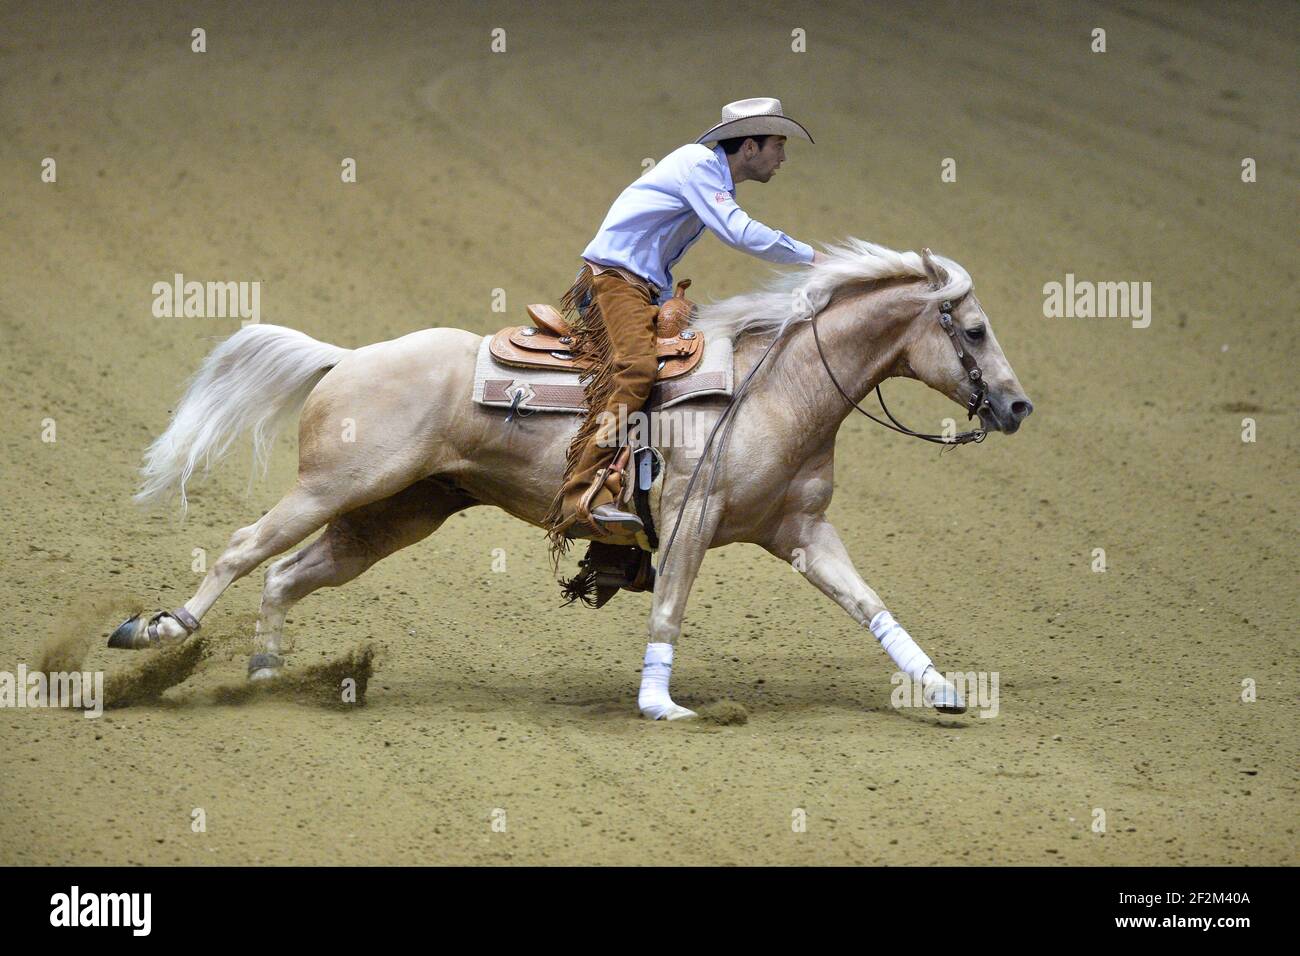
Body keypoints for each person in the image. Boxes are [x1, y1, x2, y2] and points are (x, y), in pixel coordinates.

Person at [543, 97, 823, 561]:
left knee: (676, 383)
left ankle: (624, 533)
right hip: (616, 282)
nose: (783, 158)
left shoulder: (707, 173)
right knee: (635, 371)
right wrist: (814, 258)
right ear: (749, 146)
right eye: (778, 145)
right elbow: (738, 233)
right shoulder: (698, 165)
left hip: (640, 288)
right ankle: (581, 494)